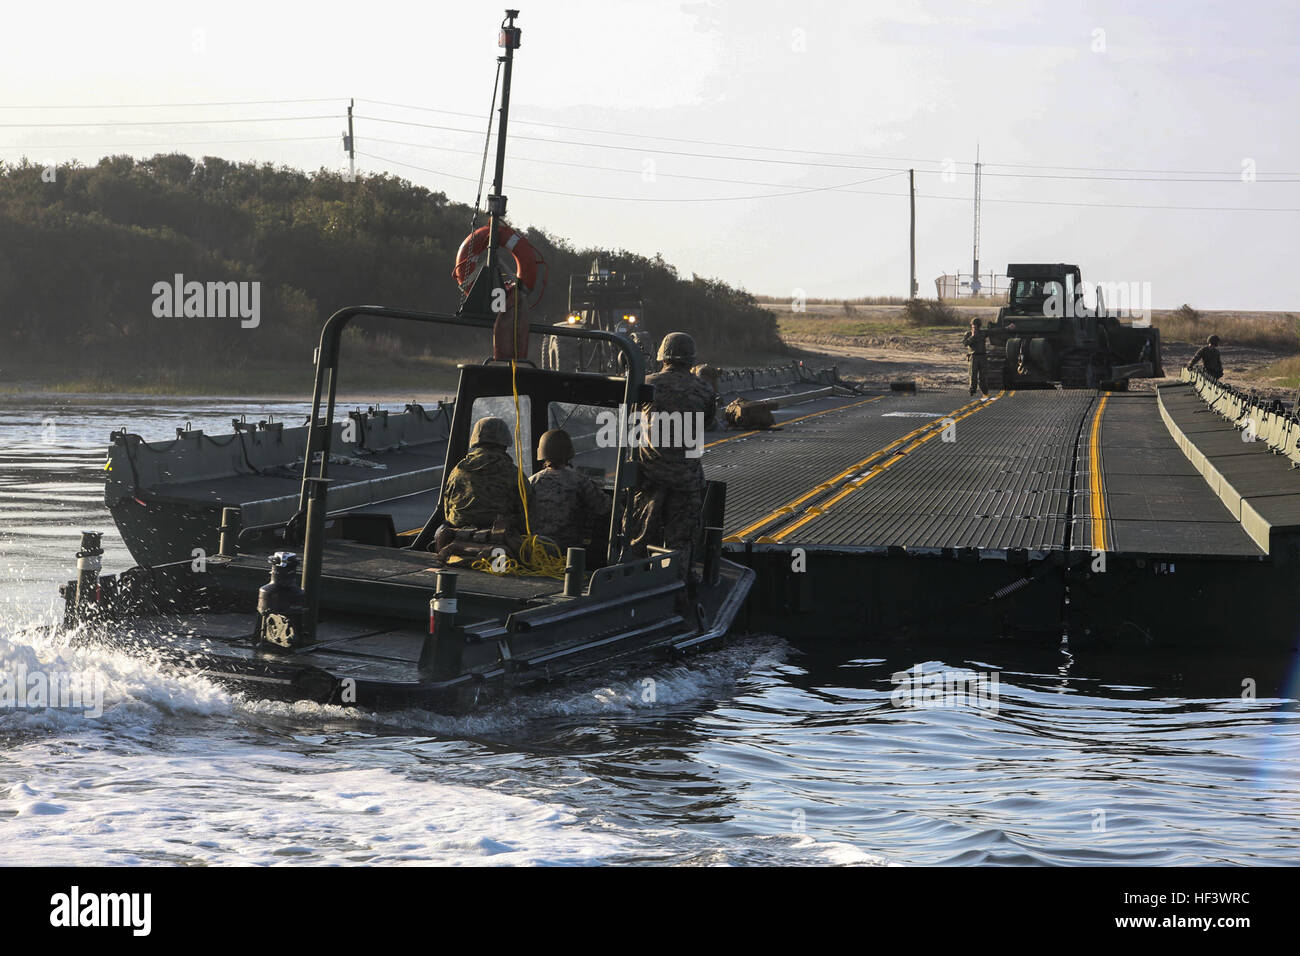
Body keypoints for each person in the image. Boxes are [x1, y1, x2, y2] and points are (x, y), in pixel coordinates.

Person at [623, 331, 717, 559]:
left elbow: (631, 419)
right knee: (681, 546)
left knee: (639, 543)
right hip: (686, 481)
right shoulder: (704, 390)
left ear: (663, 357)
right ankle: (679, 588)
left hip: (649, 479)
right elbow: (707, 422)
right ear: (691, 359)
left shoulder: (646, 384)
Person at [437, 417, 528, 548]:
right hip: (500, 541)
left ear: (476, 440)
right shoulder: (513, 473)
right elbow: (526, 514)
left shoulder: (458, 470)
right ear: (504, 442)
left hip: (456, 538)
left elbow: (447, 507)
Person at [528, 429, 611, 552]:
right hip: (570, 553)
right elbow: (605, 508)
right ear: (569, 453)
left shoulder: (531, 481)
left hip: (536, 550)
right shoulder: (580, 481)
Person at [963, 318, 990, 397]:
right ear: (971, 326)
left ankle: (985, 391)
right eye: (974, 326)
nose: (975, 328)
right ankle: (972, 390)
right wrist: (973, 336)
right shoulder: (968, 334)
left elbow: (994, 331)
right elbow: (965, 343)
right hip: (973, 357)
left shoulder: (983, 333)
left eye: (977, 326)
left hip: (982, 356)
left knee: (983, 376)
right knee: (973, 375)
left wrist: (1007, 328)